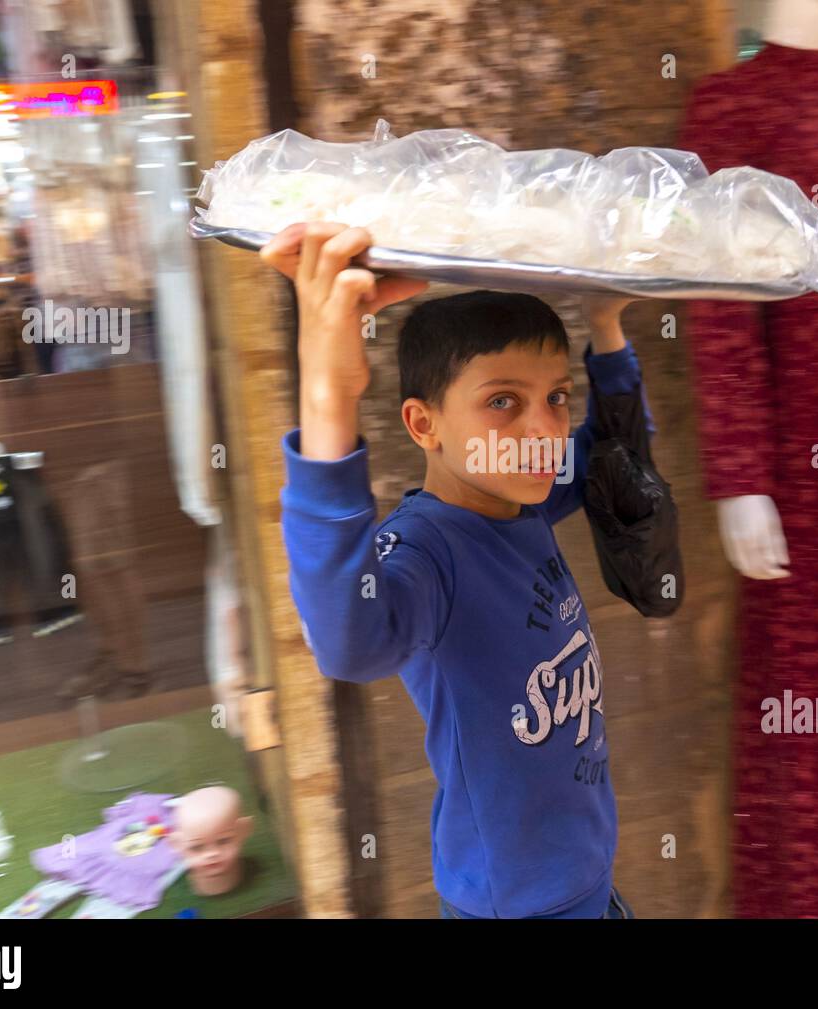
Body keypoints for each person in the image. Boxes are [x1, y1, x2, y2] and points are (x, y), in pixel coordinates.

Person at [262, 221, 643, 919]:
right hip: (515, 906)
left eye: (555, 397)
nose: (543, 430)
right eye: (503, 402)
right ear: (422, 423)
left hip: (588, 880)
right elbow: (351, 642)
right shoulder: (426, 552)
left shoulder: (519, 495)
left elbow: (617, 455)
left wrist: (606, 322)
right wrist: (328, 400)